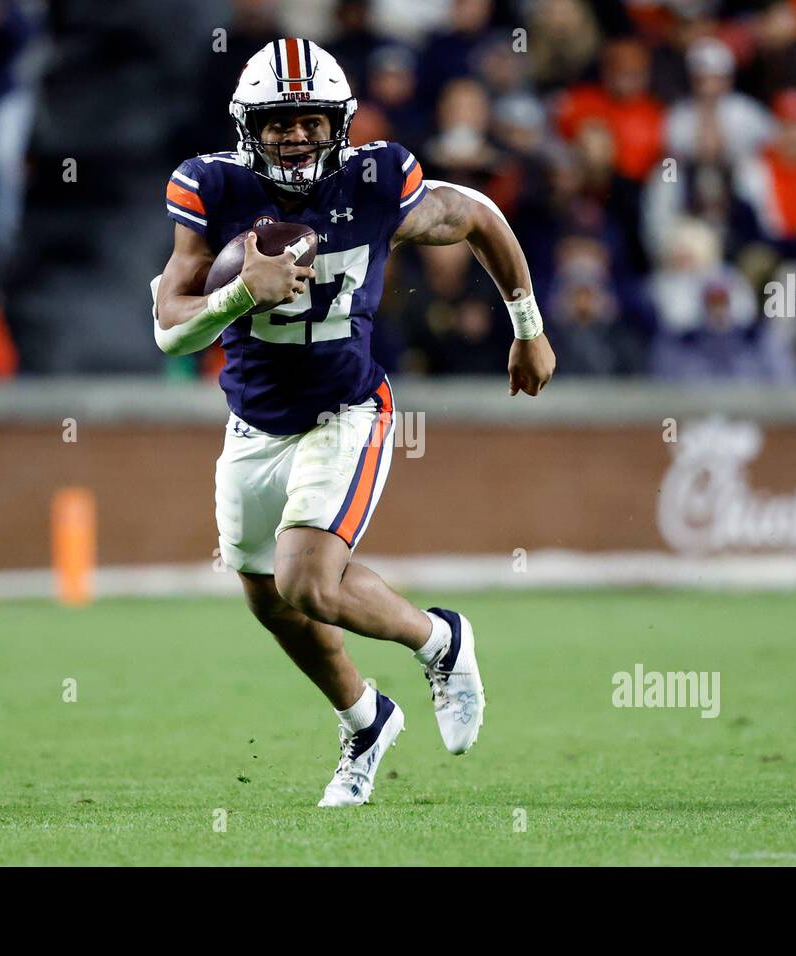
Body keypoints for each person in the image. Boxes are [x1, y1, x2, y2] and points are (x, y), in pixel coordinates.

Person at [151, 39, 555, 807]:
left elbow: (480, 215)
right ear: (248, 127)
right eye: (278, 123)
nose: (296, 137)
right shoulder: (211, 187)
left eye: (309, 121)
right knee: (267, 598)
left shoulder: (374, 181)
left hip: (347, 411)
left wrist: (527, 325)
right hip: (254, 421)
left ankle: (441, 641)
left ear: (337, 122)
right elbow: (171, 329)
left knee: (306, 578)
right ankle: (365, 722)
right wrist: (242, 292)